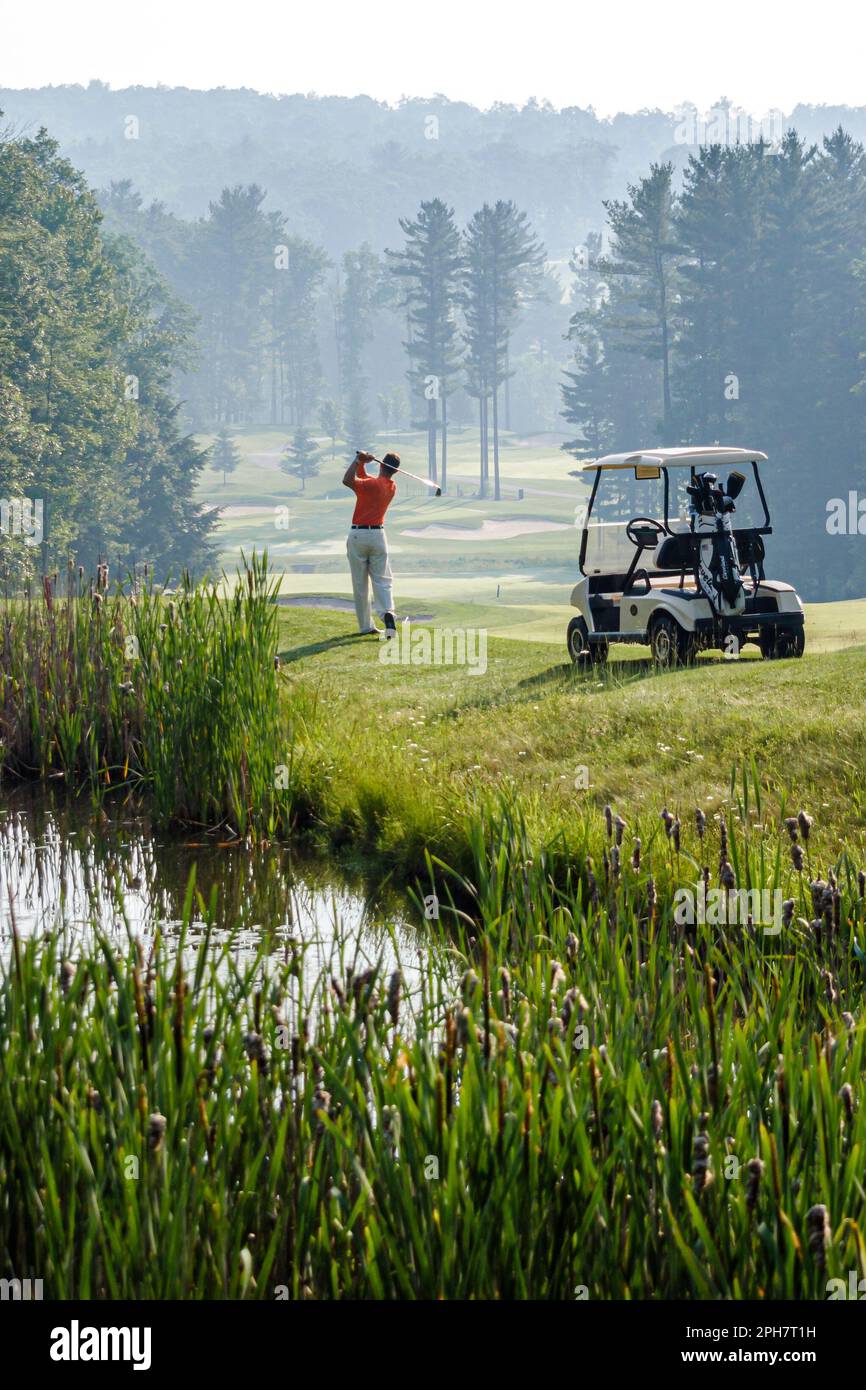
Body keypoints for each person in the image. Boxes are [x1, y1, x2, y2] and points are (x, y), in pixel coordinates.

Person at [342, 449, 399, 636]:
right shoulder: (391, 487)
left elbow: (348, 480)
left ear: (381, 465)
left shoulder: (372, 485)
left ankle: (366, 626)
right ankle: (388, 613)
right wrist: (363, 464)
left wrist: (358, 460)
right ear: (395, 471)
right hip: (378, 536)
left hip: (359, 535)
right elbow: (365, 479)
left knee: (360, 584)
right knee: (382, 580)